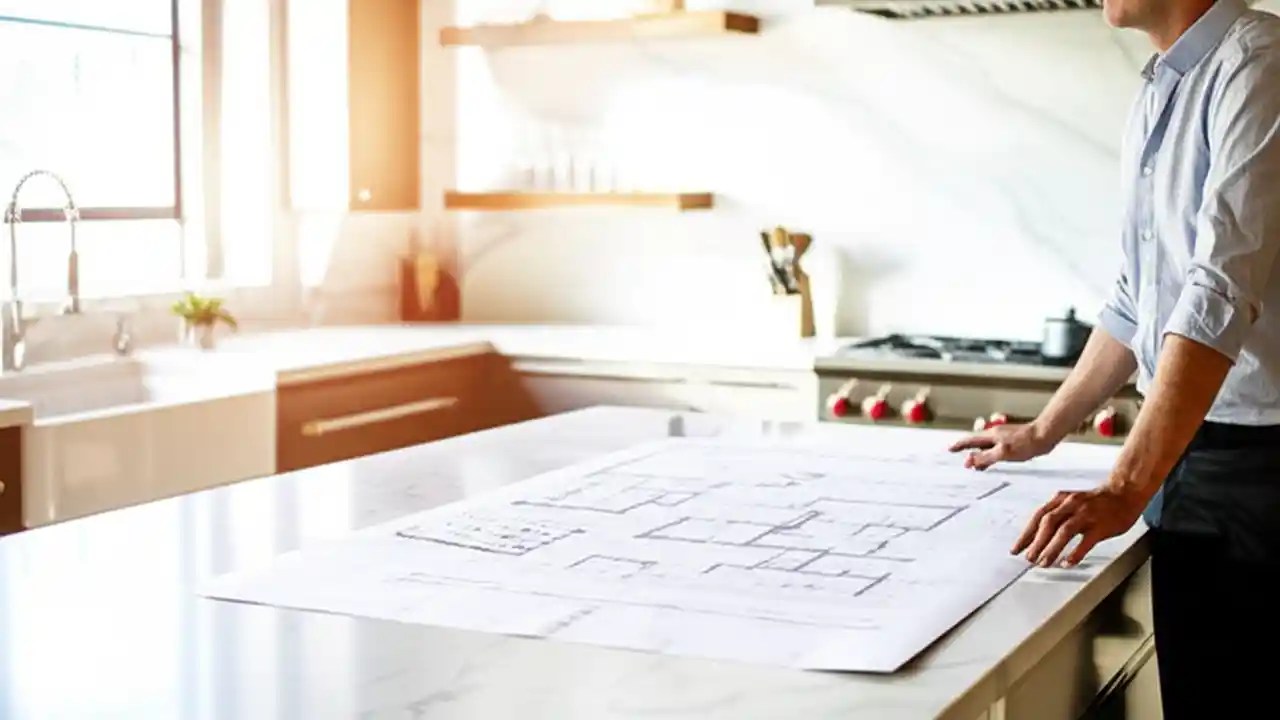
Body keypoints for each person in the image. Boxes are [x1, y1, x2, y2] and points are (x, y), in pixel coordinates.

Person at [948, 0, 1280, 716]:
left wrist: (1127, 483)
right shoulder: (1161, 84)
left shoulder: (1261, 62)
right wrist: (1044, 431)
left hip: (1258, 466)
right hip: (1193, 456)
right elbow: (1139, 299)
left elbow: (1219, 290)